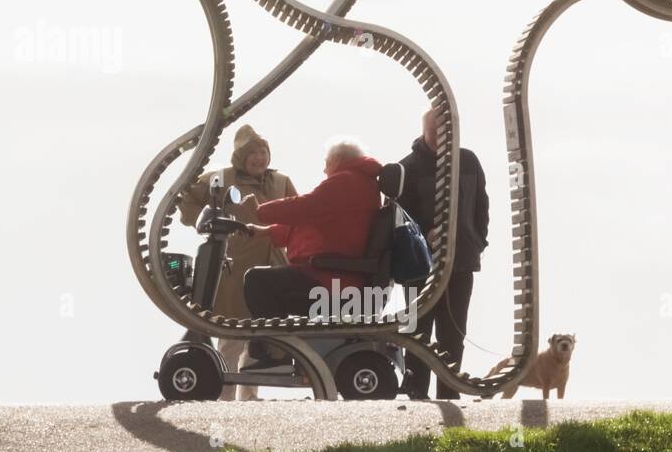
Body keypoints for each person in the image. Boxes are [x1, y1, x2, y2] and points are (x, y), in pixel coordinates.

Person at [238, 137, 383, 367]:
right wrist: (265, 231)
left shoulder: (345, 182)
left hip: (332, 281)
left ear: (337, 160)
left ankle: (277, 350)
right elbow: (314, 225)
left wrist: (260, 211)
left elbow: (307, 207)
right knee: (267, 281)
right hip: (337, 276)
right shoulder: (358, 183)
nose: (324, 169)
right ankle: (273, 346)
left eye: (326, 162)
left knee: (256, 280)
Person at [177, 125, 297, 400]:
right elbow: (186, 199)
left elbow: (298, 214)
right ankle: (224, 394)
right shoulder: (221, 178)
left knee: (262, 336)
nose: (259, 157)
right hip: (236, 267)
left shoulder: (281, 181)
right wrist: (207, 223)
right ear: (240, 156)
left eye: (263, 151)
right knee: (231, 333)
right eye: (252, 152)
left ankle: (249, 396)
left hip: (275, 266)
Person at [386, 107, 489, 400]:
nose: (443, 137)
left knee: (453, 333)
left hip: (462, 261)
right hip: (419, 265)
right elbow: (396, 216)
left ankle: (449, 393)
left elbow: (481, 205)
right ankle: (417, 392)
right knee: (418, 331)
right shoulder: (407, 167)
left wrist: (478, 241)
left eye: (449, 131)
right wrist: (425, 232)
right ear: (424, 131)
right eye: (436, 131)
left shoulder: (468, 161)